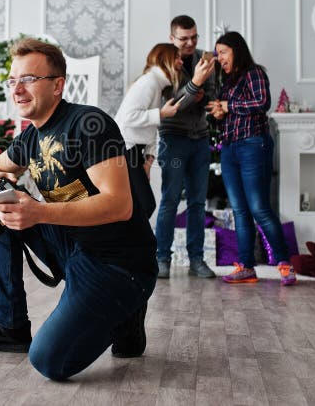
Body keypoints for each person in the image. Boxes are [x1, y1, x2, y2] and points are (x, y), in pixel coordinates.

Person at [0, 38, 157, 381]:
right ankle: (9, 324)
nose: (17, 89)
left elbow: (120, 205)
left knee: (49, 361)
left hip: (118, 263)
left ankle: (126, 309)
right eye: (12, 81)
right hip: (73, 246)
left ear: (58, 85)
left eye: (28, 79)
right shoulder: (31, 137)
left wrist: (39, 212)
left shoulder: (88, 123)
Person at [206, 32, 297, 286]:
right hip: (230, 149)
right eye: (217, 53)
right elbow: (228, 113)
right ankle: (246, 266)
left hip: (253, 145)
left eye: (223, 52)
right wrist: (218, 112)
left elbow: (262, 102)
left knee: (259, 208)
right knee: (240, 211)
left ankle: (285, 264)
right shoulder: (228, 82)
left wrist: (228, 106)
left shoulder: (254, 72)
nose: (219, 57)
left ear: (237, 50)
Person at [154, 15, 217, 279]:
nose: (190, 43)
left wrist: (201, 93)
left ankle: (197, 260)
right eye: (184, 38)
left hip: (201, 140)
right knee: (169, 201)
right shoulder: (165, 62)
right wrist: (196, 87)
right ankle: (161, 259)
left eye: (194, 37)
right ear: (172, 38)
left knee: (197, 203)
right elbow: (171, 106)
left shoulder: (205, 58)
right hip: (173, 139)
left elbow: (212, 96)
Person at [114, 43, 183, 218]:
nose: (181, 62)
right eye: (177, 58)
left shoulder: (157, 84)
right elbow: (128, 118)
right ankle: (123, 244)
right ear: (165, 60)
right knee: (145, 204)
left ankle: (126, 244)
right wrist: (161, 113)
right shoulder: (149, 82)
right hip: (126, 149)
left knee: (138, 205)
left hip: (134, 152)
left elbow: (151, 129)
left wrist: (149, 161)